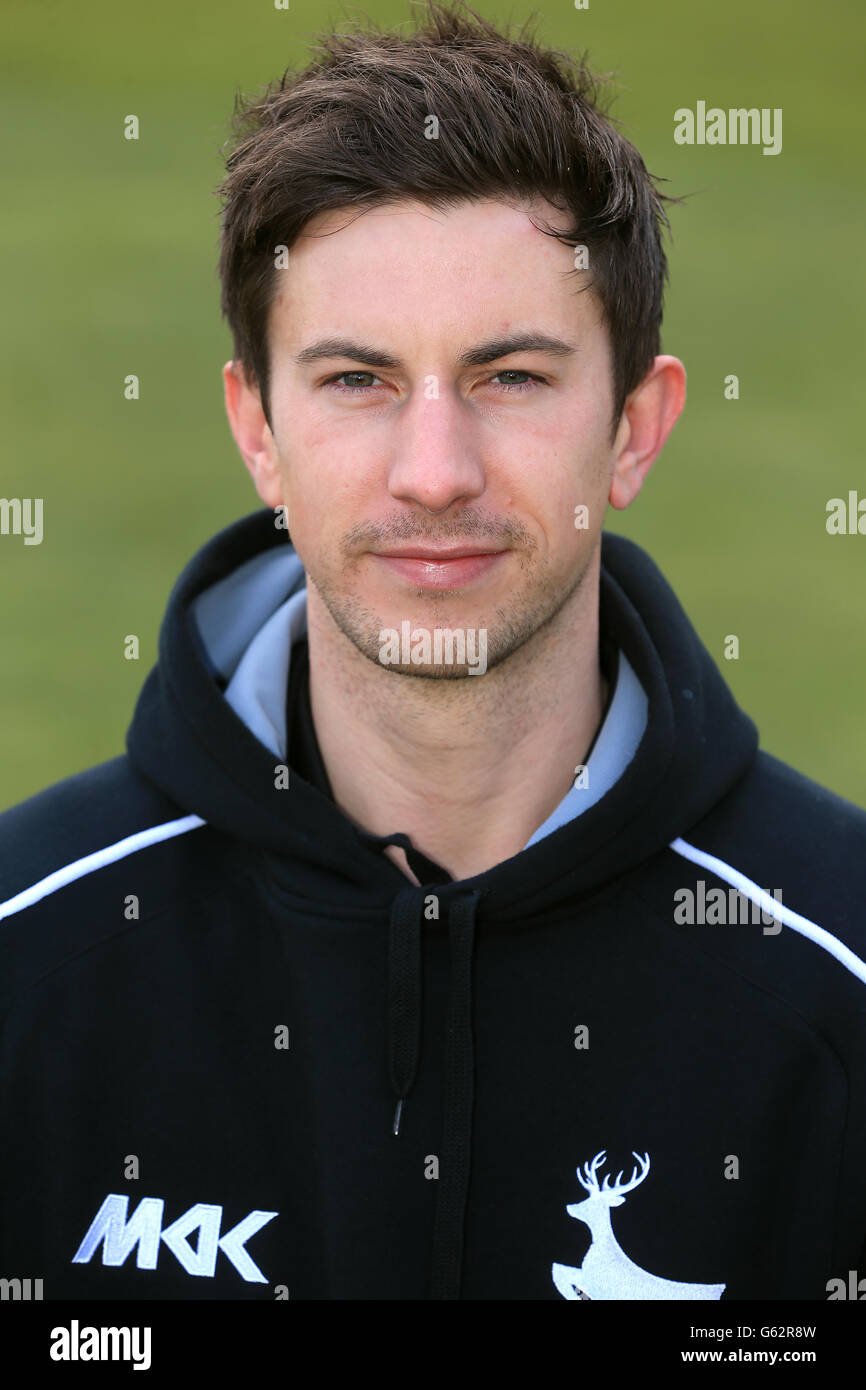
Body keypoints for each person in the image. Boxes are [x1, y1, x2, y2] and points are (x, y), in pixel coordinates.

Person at [1, 1, 864, 1302]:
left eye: (510, 376)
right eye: (356, 380)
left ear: (633, 426)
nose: (435, 472)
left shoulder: (838, 963)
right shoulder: (27, 947)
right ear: (257, 431)